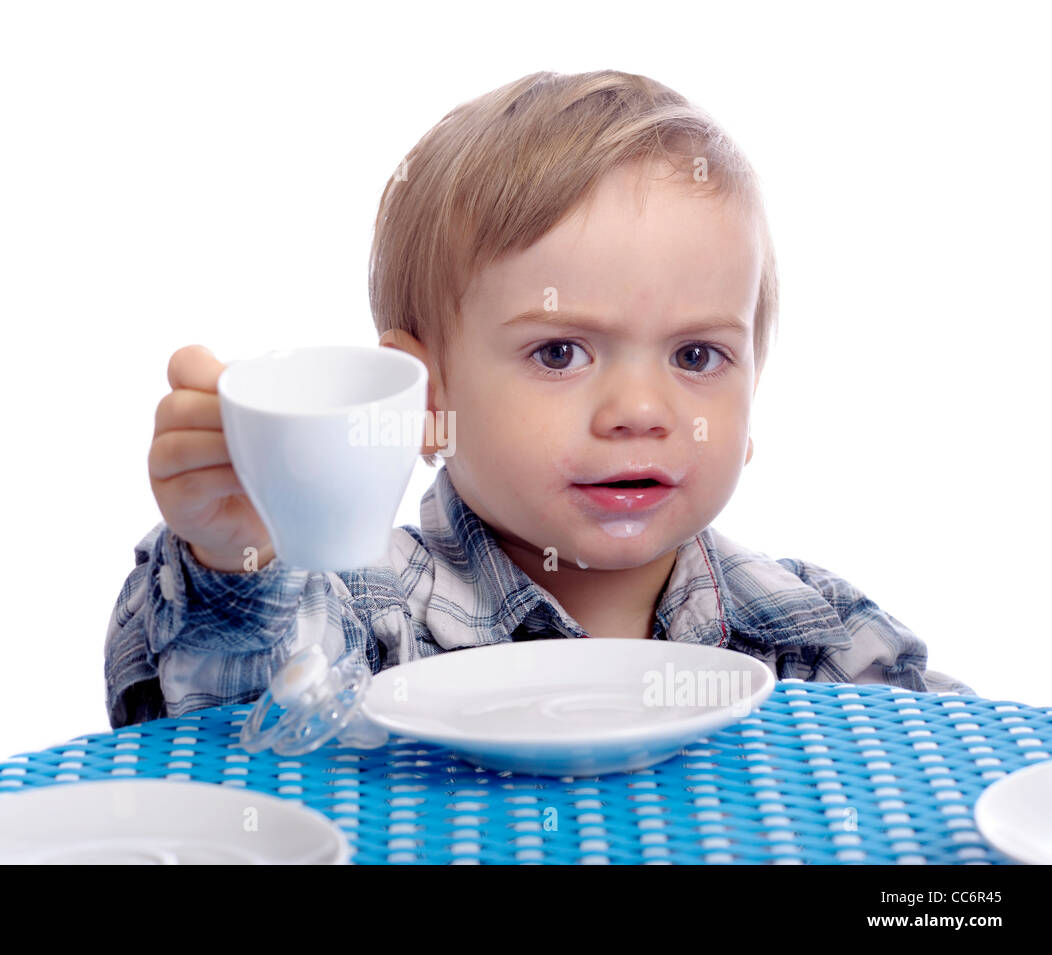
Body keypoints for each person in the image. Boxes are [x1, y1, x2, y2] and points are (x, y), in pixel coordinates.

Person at [105, 69, 973, 730]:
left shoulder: (814, 639)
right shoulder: (363, 617)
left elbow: (971, 782)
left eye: (698, 354)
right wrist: (234, 561)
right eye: (560, 352)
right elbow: (236, 732)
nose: (640, 409)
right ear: (423, 399)